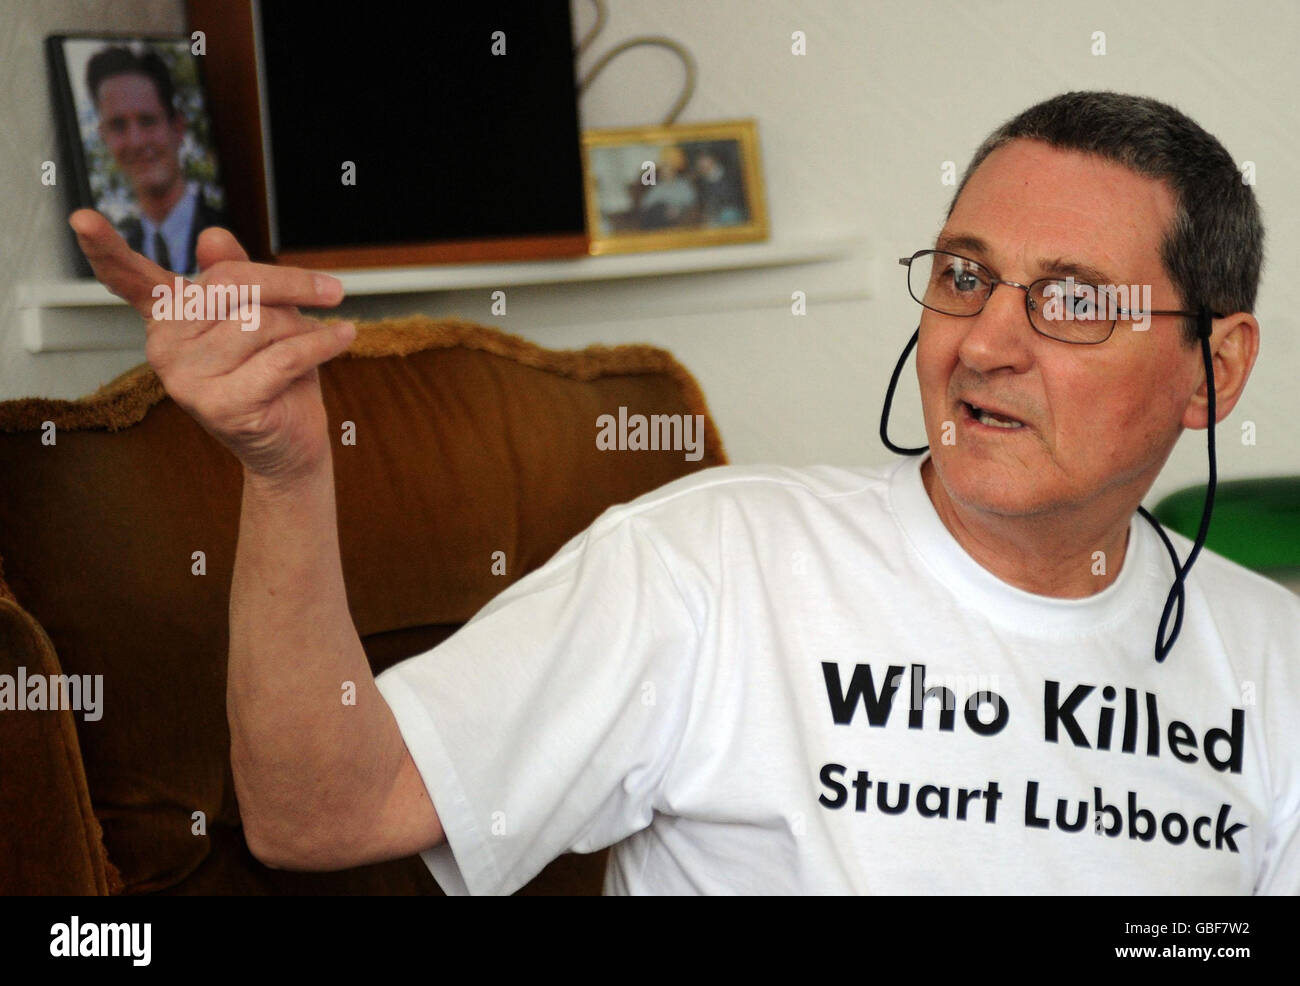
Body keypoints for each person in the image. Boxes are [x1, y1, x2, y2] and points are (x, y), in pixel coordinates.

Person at [68, 90, 1299, 895]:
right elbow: (318, 810)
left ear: (1212, 368)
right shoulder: (716, 560)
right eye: (965, 274)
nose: (982, 343)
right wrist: (285, 474)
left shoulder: (1274, 663)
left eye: (1072, 299)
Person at [85, 45, 226, 275]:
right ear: (104, 137)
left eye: (148, 121)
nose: (136, 141)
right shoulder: (116, 262)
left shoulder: (233, 235)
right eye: (118, 125)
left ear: (178, 128)